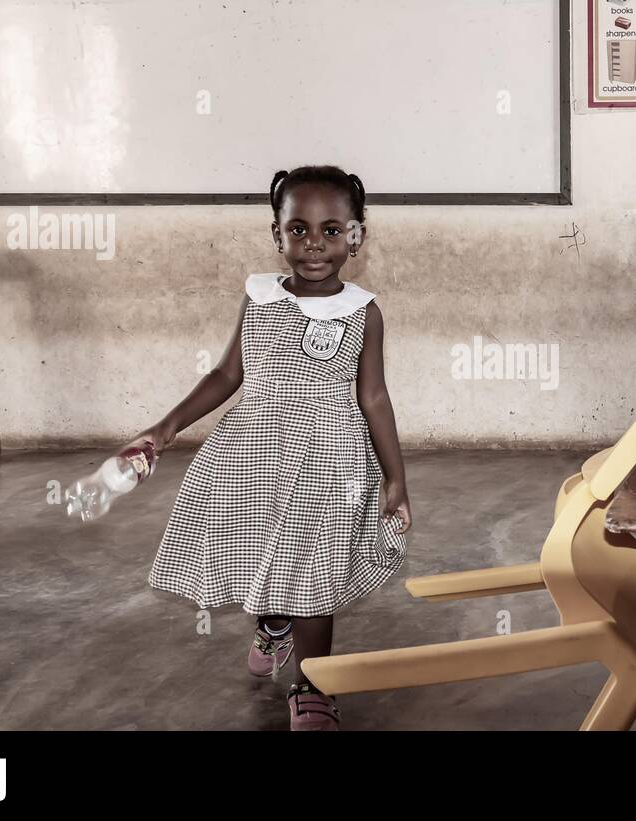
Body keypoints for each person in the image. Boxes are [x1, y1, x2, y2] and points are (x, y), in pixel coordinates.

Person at [137, 165, 411, 731]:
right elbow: (225, 373)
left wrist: (395, 478)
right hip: (252, 457)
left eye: (332, 230)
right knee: (260, 556)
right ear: (276, 234)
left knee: (314, 570)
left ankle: (312, 687)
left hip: (332, 462)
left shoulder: (364, 312)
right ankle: (273, 623)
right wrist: (164, 429)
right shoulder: (259, 298)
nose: (315, 243)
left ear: (356, 237)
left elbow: (376, 398)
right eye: (299, 229)